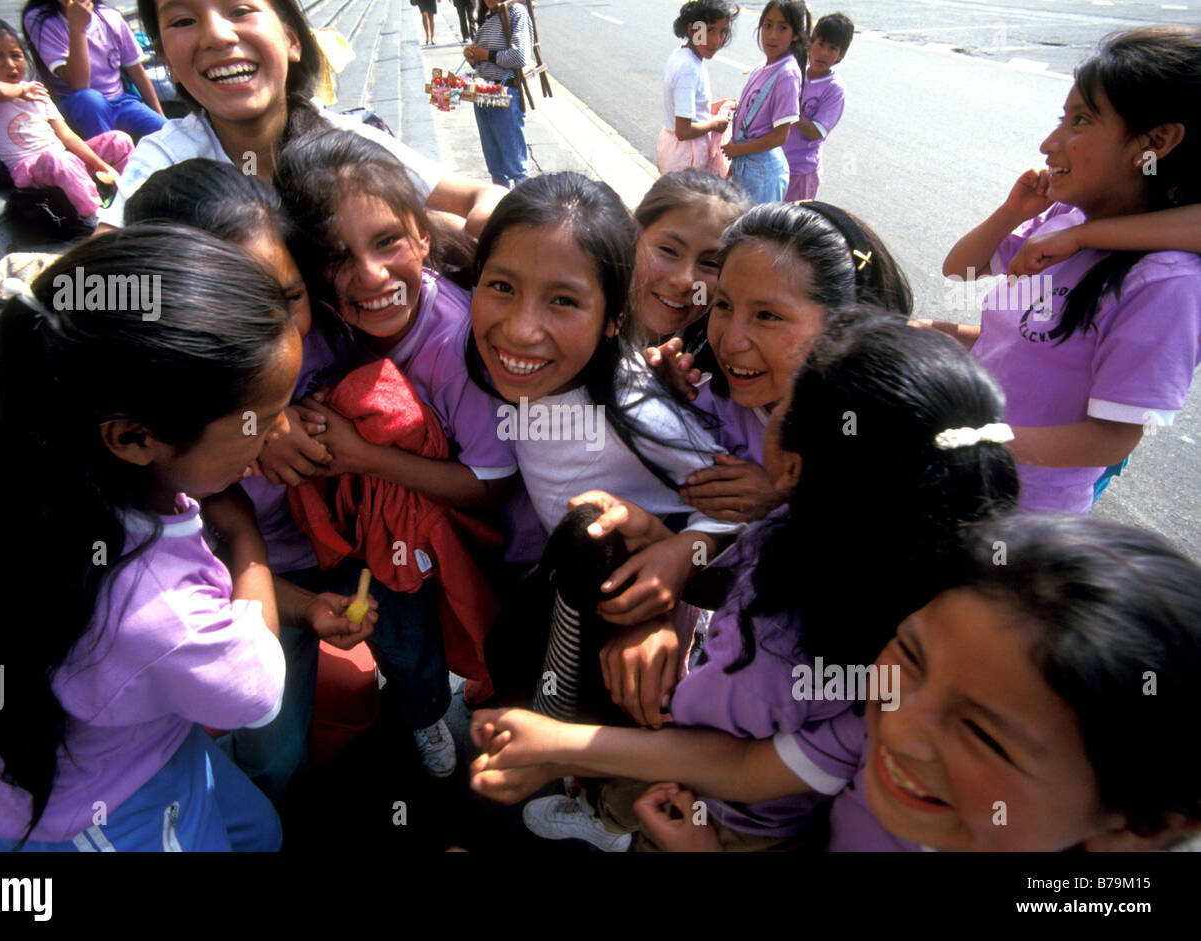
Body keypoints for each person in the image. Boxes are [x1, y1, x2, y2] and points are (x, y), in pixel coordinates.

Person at [470, 318, 1023, 851]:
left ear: (793, 468)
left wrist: (564, 749)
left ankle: (603, 811)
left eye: (781, 408)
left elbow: (726, 760)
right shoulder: (851, 555)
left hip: (726, 822)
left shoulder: (800, 647)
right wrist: (662, 538)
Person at [0, 227, 350, 850]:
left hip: (129, 750)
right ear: (133, 438)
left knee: (258, 831)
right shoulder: (157, 609)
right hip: (103, 819)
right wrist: (242, 534)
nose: (277, 429)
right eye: (258, 419)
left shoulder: (34, 475)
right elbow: (256, 692)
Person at [474, 513, 1201, 853]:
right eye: (911, 654)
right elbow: (739, 766)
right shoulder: (874, 715)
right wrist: (561, 746)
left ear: (1143, 823)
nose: (900, 725)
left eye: (983, 732)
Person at [122, 159, 380, 802]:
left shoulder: (337, 338)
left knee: (290, 750)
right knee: (270, 756)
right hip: (250, 597)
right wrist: (241, 478)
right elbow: (247, 668)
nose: (281, 338)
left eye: (289, 298)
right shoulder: (158, 431)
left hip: (336, 567)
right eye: (241, 311)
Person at [467, 173, 748, 749]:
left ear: (614, 316)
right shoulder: (488, 353)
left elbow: (739, 508)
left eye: (564, 301)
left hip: (623, 600)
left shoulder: (633, 404)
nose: (521, 329)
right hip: (557, 579)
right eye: (501, 286)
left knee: (581, 707)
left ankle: (593, 801)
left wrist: (677, 555)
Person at [274, 127, 521, 775]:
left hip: (460, 527)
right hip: (365, 535)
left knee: (453, 623)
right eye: (337, 256)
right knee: (398, 637)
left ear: (422, 236)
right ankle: (423, 713)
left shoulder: (460, 344)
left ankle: (468, 698)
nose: (371, 275)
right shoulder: (320, 323)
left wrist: (362, 457)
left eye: (387, 241)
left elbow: (491, 484)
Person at [927, 26, 1201, 514]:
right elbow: (962, 272)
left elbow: (1110, 439)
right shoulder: (1064, 220)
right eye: (1063, 117)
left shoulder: (1163, 284)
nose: (1049, 144)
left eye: (1080, 121)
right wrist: (941, 333)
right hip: (964, 477)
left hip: (1019, 513)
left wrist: (975, 439)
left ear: (1155, 143)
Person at [101, 0, 505, 239]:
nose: (216, 36)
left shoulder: (341, 141)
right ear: (166, 61)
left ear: (293, 39)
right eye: (183, 21)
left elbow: (481, 197)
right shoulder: (164, 158)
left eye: (240, 9)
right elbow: (86, 283)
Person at [654, 201, 914, 525]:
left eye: (767, 316)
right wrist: (653, 400)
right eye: (723, 305)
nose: (731, 342)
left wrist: (787, 500)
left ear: (844, 326)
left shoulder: (885, 442)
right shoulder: (704, 400)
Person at [0, 11, 131, 225]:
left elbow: (66, 135)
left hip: (64, 160)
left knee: (119, 140)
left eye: (16, 55)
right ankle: (95, 216)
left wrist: (100, 164)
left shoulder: (36, 92)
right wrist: (21, 91)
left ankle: (128, 197)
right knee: (59, 158)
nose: (10, 64)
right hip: (29, 169)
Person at [629, 169, 749, 343]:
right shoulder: (581, 325)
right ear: (633, 238)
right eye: (668, 251)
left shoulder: (719, 354)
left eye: (710, 263)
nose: (684, 282)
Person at [21, 0, 166, 141]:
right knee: (90, 98)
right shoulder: (40, 20)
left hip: (120, 101)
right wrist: (77, 27)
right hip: (78, 107)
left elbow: (137, 72)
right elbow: (79, 84)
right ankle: (109, 158)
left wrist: (162, 119)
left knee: (163, 132)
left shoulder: (109, 16)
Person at [724, 0, 806, 203]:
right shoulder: (763, 67)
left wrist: (738, 150)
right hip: (745, 164)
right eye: (768, 25)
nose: (772, 34)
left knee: (755, 232)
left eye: (783, 28)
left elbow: (780, 136)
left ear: (795, 34)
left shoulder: (786, 74)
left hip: (762, 174)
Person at [658, 1, 740, 175]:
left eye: (722, 32)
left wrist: (714, 108)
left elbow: (685, 110)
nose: (717, 40)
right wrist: (714, 123)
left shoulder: (684, 56)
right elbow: (683, 130)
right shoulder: (688, 69)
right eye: (709, 30)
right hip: (685, 157)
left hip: (677, 151)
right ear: (692, 30)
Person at [464, 0, 534, 188]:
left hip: (505, 96)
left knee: (516, 168)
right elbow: (480, 59)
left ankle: (525, 212)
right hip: (483, 95)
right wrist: (472, 56)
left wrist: (485, 55)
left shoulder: (516, 12)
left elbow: (520, 56)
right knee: (496, 168)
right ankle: (502, 210)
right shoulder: (489, 16)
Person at [783, 12, 852, 201]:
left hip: (801, 171)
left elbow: (815, 132)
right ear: (810, 43)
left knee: (791, 227)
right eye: (820, 44)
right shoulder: (796, 73)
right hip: (776, 163)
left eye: (832, 48)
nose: (823, 53)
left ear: (841, 54)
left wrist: (790, 108)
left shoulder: (834, 88)